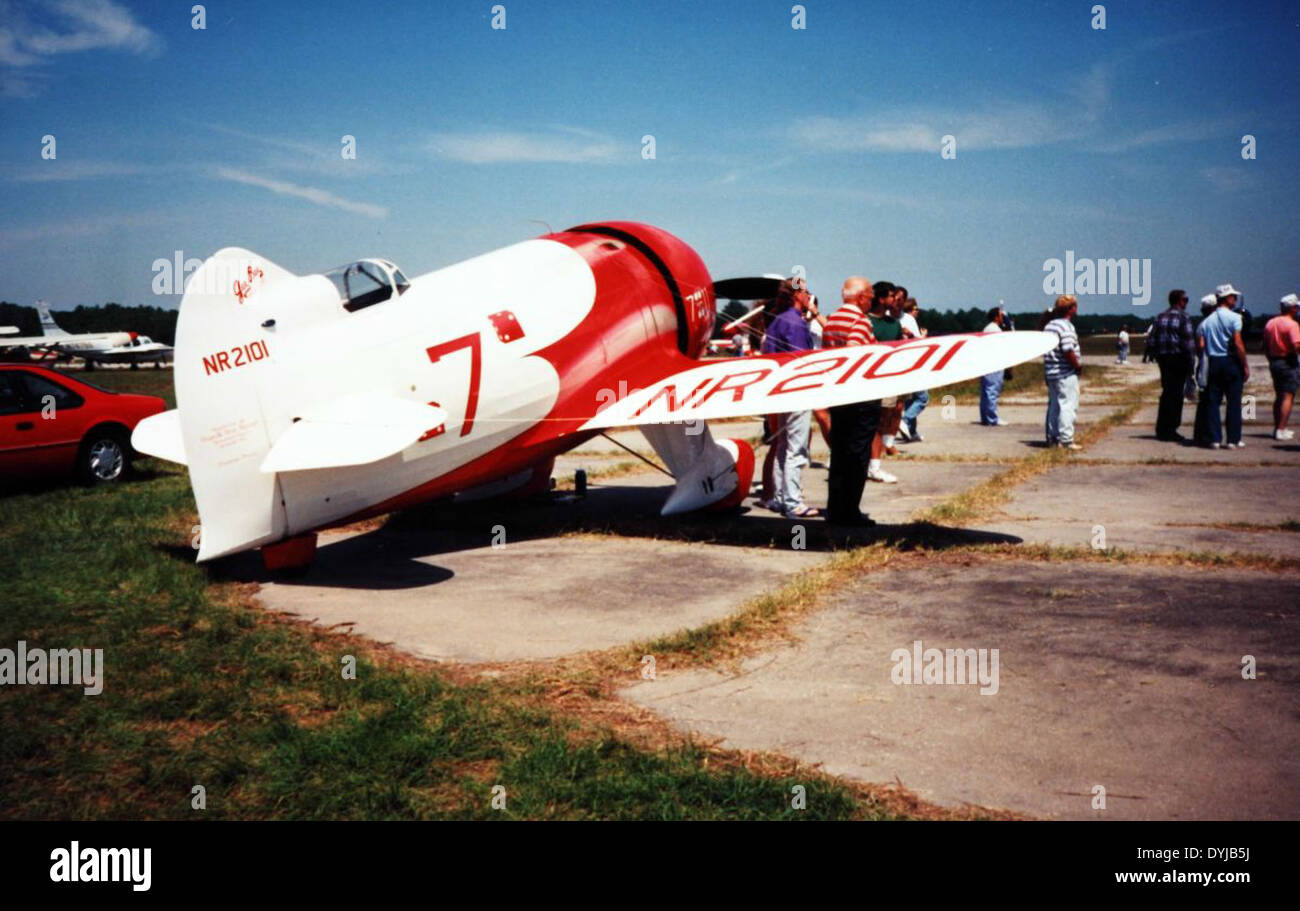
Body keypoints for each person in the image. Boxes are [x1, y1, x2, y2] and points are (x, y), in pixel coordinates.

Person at [760, 281, 820, 516]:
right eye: (806, 291)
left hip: (779, 391)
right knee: (796, 448)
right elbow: (800, 360)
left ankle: (779, 497)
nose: (809, 295)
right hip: (796, 391)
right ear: (797, 295)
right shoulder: (796, 322)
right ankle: (793, 502)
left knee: (783, 446)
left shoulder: (779, 320)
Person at [823, 276, 879, 526]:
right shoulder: (859, 321)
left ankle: (835, 509)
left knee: (839, 453)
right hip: (859, 397)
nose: (872, 300)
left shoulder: (831, 320)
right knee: (858, 455)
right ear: (860, 297)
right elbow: (855, 356)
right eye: (870, 296)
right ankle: (850, 511)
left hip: (837, 396)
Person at [1198, 283, 1251, 449]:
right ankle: (1233, 439)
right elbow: (1238, 343)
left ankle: (1215, 438)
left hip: (1214, 362)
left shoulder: (1206, 322)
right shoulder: (1235, 318)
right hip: (1231, 361)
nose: (1235, 299)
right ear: (1227, 298)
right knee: (1234, 402)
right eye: (1233, 296)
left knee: (1214, 401)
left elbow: (1201, 345)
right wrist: (1245, 364)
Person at [1147, 289, 1196, 442]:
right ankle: (1171, 429)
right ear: (1179, 301)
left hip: (1164, 360)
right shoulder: (1183, 317)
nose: (1186, 303)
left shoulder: (1160, 317)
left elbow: (1151, 340)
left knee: (1167, 392)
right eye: (1185, 300)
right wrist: (1191, 362)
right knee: (1176, 395)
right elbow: (1188, 342)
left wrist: (1157, 355)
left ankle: (1161, 428)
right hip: (1179, 359)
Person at [866, 282, 902, 479]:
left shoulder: (894, 324)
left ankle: (874, 464)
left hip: (888, 380)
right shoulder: (865, 321)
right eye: (890, 296)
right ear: (880, 299)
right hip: (868, 381)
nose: (894, 300)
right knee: (870, 424)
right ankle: (872, 466)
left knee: (883, 424)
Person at [1043, 295, 1082, 450]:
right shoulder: (1067, 327)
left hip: (1051, 372)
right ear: (1070, 308)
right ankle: (1066, 439)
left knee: (1054, 406)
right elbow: (1067, 349)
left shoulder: (1050, 325)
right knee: (1068, 406)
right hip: (1065, 372)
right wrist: (1077, 365)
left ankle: (1053, 437)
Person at [1263, 293, 1300, 440]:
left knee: (1279, 396)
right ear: (1292, 308)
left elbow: (1265, 345)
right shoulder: (1292, 324)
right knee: (1288, 396)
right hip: (1287, 361)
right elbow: (1295, 345)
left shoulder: (1270, 323)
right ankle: (1281, 428)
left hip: (1274, 361)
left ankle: (1277, 426)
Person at [898, 298, 929, 441]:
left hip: (903, 363)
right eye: (915, 309)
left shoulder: (900, 319)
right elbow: (916, 342)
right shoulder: (909, 319)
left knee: (911, 400)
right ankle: (905, 420)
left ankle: (912, 431)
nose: (917, 311)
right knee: (922, 398)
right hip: (913, 362)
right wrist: (923, 337)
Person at [979, 306, 1007, 426]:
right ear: (996, 317)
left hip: (986, 363)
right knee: (992, 390)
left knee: (986, 391)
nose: (1002, 318)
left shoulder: (987, 328)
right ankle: (992, 418)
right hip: (994, 363)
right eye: (1001, 315)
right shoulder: (995, 329)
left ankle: (985, 417)